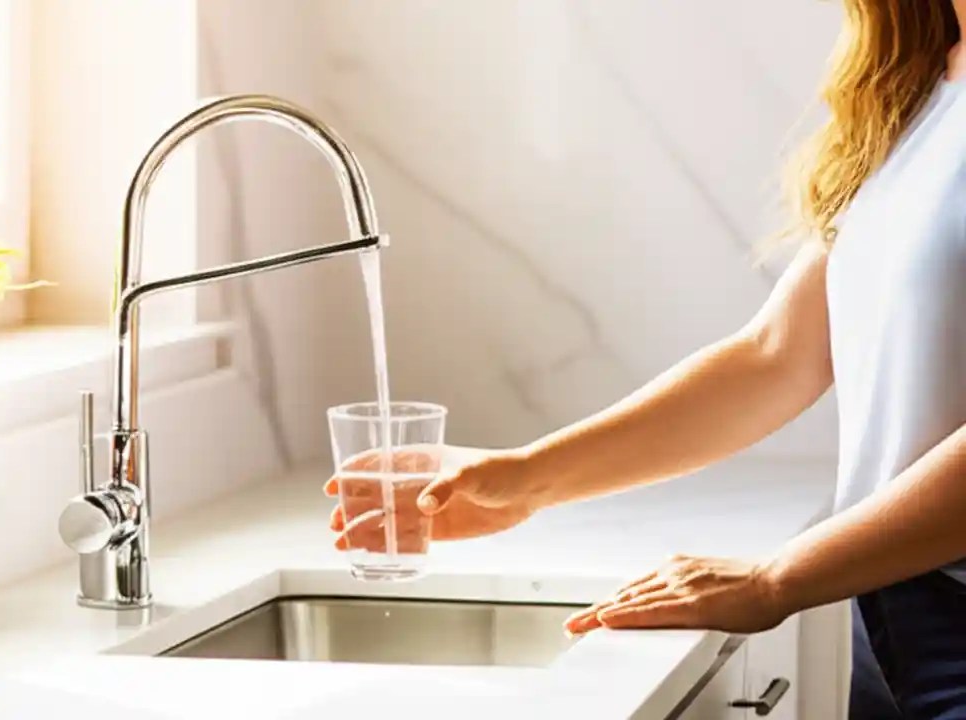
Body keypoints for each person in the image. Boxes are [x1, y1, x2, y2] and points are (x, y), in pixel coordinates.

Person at [325, 2, 966, 717]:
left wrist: (776, 579)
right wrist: (525, 477)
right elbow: (775, 356)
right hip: (889, 610)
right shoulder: (918, 85)